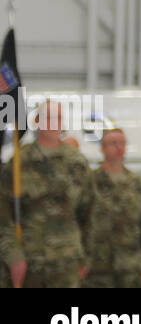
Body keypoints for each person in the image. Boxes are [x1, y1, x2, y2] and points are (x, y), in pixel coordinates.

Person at [0, 100, 92, 287]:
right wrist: (13, 256)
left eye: (58, 117)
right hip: (30, 263)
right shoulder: (19, 163)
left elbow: (89, 215)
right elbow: (3, 215)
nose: (53, 122)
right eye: (47, 117)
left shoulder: (77, 163)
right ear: (36, 121)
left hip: (67, 262)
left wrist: (86, 257)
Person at [85, 128, 141, 287]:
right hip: (97, 266)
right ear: (102, 148)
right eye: (113, 143)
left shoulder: (139, 184)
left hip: (130, 265)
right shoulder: (90, 182)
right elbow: (80, 221)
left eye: (122, 143)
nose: (118, 147)